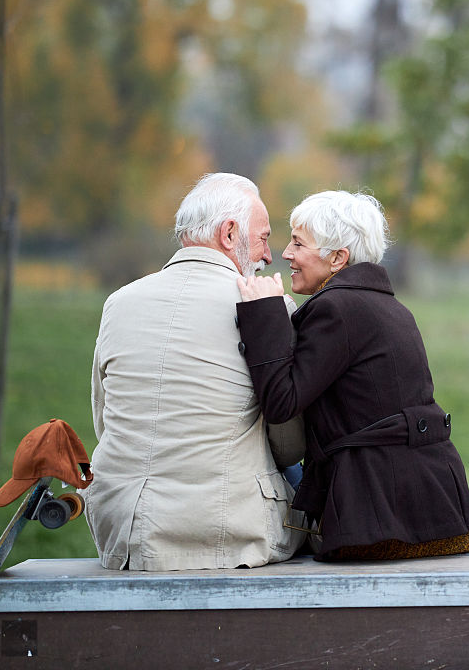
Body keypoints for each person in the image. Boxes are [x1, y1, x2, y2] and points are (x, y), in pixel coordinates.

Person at [235, 190, 469, 561]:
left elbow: (281, 403)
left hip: (376, 520)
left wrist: (263, 314)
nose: (286, 254)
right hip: (434, 507)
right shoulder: (389, 306)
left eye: (298, 243)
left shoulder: (336, 309)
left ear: (337, 258)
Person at [86, 173, 306, 571]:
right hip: (228, 532)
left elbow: (105, 423)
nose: (269, 255)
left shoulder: (118, 303)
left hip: (125, 530)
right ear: (229, 233)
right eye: (263, 238)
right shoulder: (267, 311)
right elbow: (290, 445)